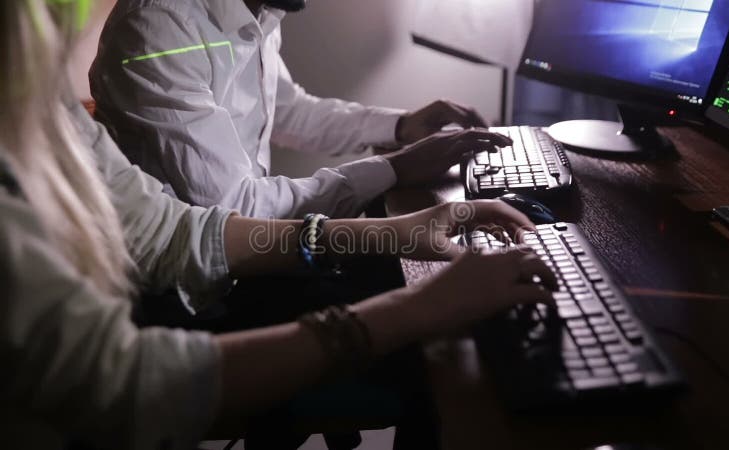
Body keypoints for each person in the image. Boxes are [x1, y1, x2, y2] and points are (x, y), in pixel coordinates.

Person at [0, 0, 556, 448]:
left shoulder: (52, 105)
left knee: (423, 290)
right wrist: (411, 302)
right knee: (447, 359)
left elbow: (182, 228)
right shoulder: (157, 29)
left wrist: (398, 208)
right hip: (189, 302)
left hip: (223, 262)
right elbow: (123, 380)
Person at [88, 0, 509, 219]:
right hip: (198, 297)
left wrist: (399, 126)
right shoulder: (159, 29)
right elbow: (236, 208)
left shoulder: (258, 10)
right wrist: (395, 168)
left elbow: (287, 112)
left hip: (251, 250)